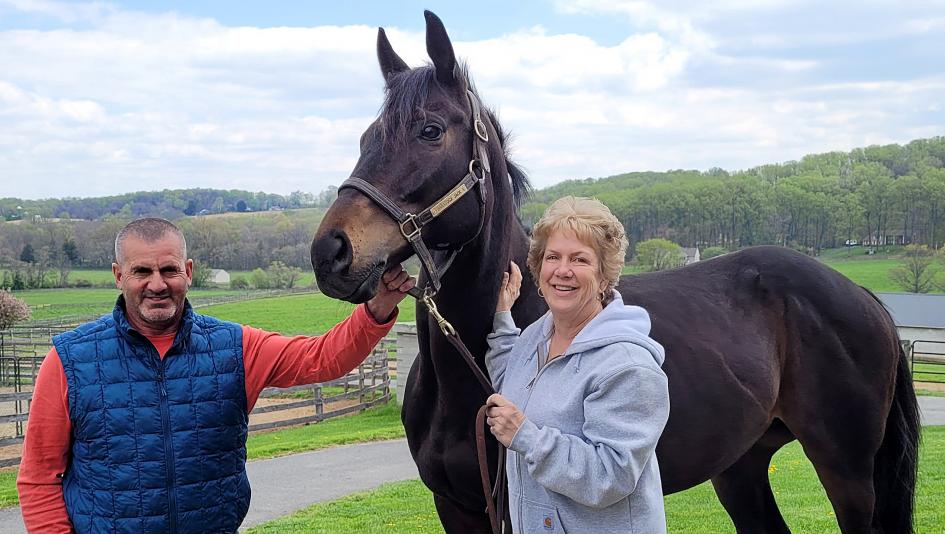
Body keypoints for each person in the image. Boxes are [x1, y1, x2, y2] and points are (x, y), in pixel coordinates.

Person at [16, 217, 415, 533]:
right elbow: (39, 478)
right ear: (119, 276)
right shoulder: (70, 360)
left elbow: (322, 358)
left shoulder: (234, 347)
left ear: (188, 271)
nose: (157, 284)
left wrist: (377, 308)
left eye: (169, 270)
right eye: (142, 271)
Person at [484, 196, 670, 533]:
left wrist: (527, 438)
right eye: (553, 257)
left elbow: (611, 475)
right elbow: (512, 385)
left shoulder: (627, 366)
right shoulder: (536, 338)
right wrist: (502, 318)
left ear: (604, 277)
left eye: (580, 259)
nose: (563, 270)